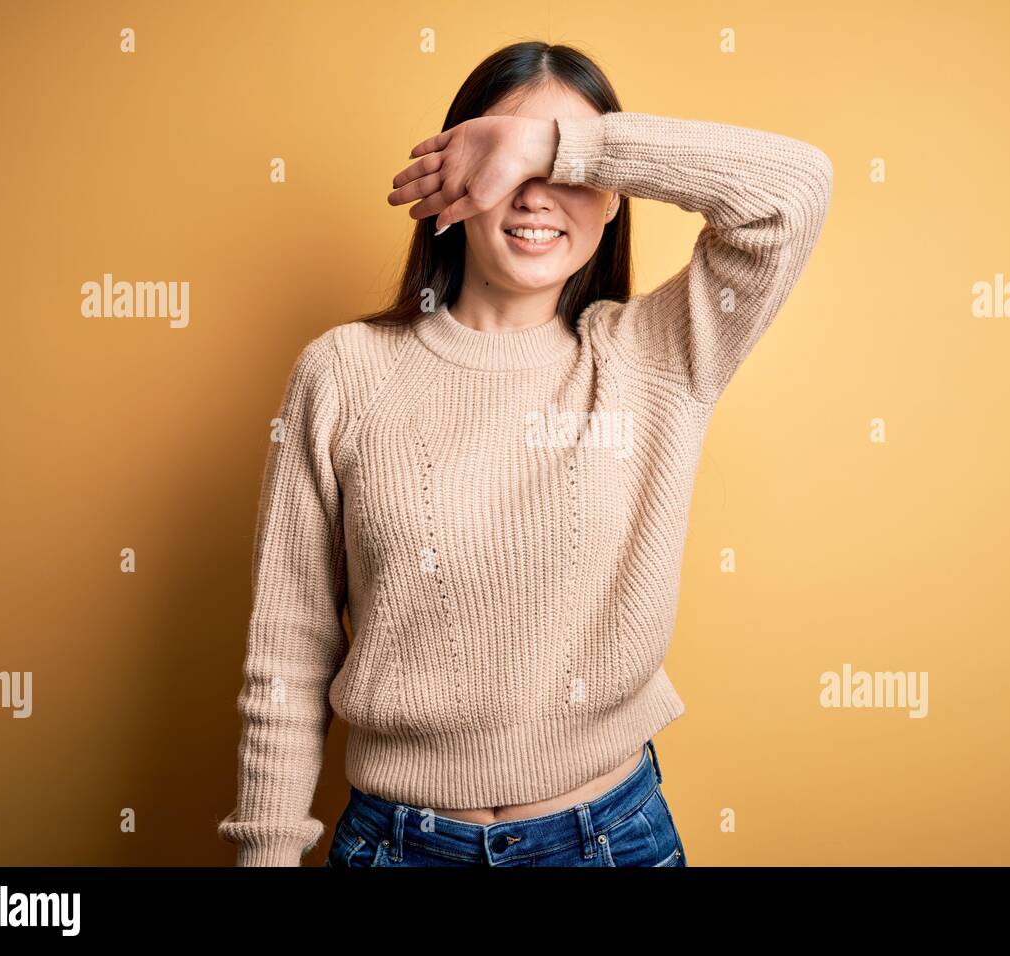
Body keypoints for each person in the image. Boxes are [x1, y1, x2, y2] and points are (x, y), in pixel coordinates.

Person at [217, 40, 832, 867]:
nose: (539, 197)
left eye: (568, 169)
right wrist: (264, 857)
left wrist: (554, 146)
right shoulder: (344, 372)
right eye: (505, 161)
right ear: (453, 179)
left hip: (609, 841)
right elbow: (289, 646)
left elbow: (793, 192)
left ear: (613, 199)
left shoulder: (656, 357)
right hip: (397, 847)